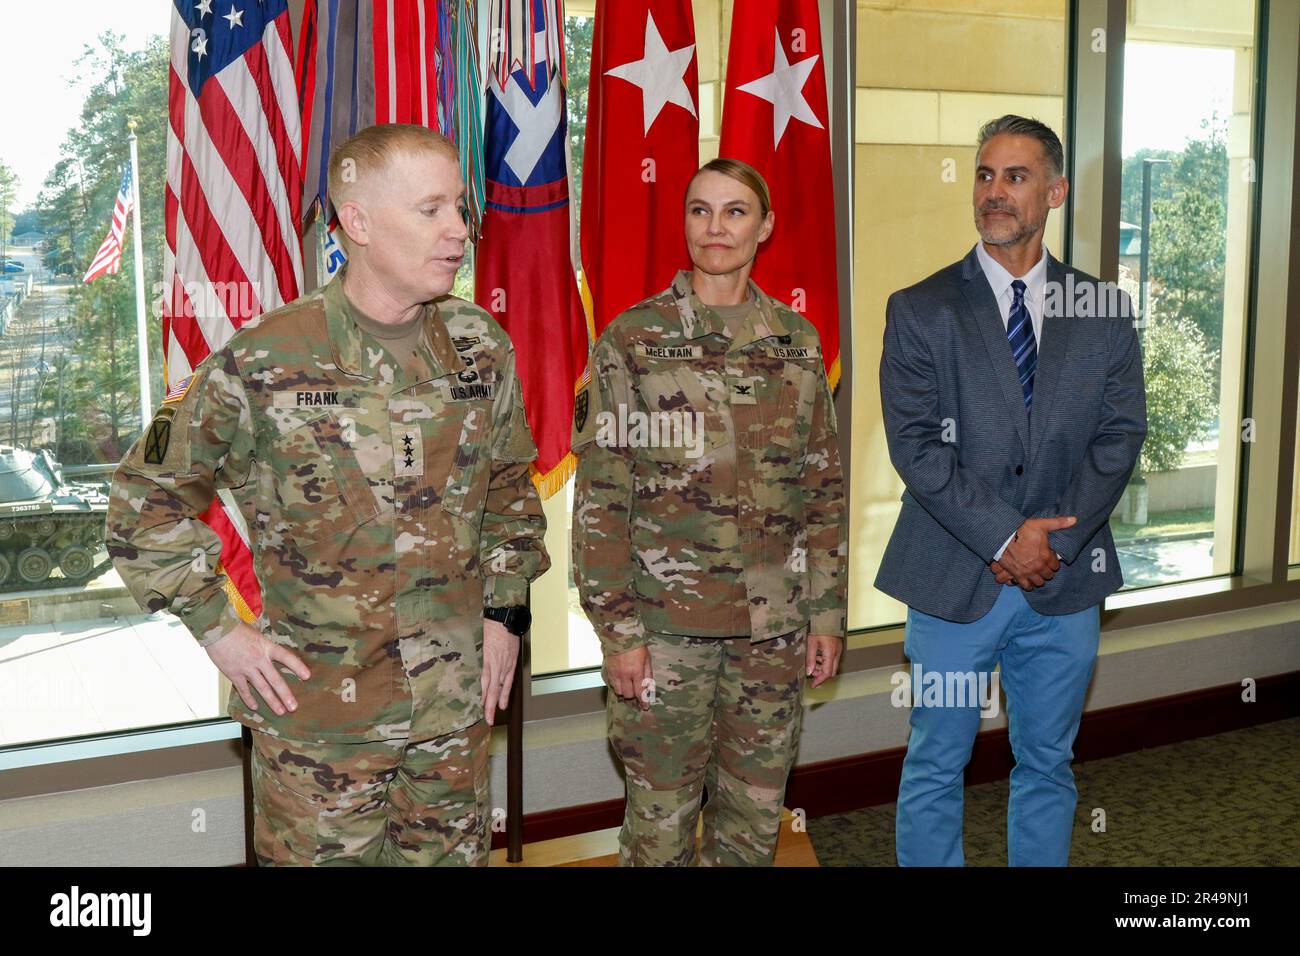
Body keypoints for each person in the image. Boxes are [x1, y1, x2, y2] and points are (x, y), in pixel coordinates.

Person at [107, 124, 550, 866]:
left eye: (461, 209)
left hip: (452, 711)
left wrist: (505, 612)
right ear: (360, 223)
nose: (459, 231)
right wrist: (218, 627)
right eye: (432, 209)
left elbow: (508, 488)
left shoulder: (480, 343)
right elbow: (141, 496)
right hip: (320, 724)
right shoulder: (267, 356)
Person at [876, 115, 1147, 866]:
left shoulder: (1103, 310)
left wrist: (1049, 543)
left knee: (1048, 763)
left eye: (1016, 176)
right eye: (985, 175)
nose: (995, 192)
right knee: (936, 765)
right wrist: (1005, 536)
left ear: (1055, 191)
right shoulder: (921, 307)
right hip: (953, 576)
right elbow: (917, 446)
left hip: (1065, 584)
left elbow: (1120, 436)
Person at [571, 158, 848, 866]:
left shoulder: (796, 341)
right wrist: (618, 632)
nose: (715, 227)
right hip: (666, 633)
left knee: (755, 824)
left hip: (773, 631)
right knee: (661, 827)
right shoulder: (633, 341)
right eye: (700, 210)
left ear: (766, 227)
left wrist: (825, 613)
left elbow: (822, 485)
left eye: (734, 211)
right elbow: (602, 497)